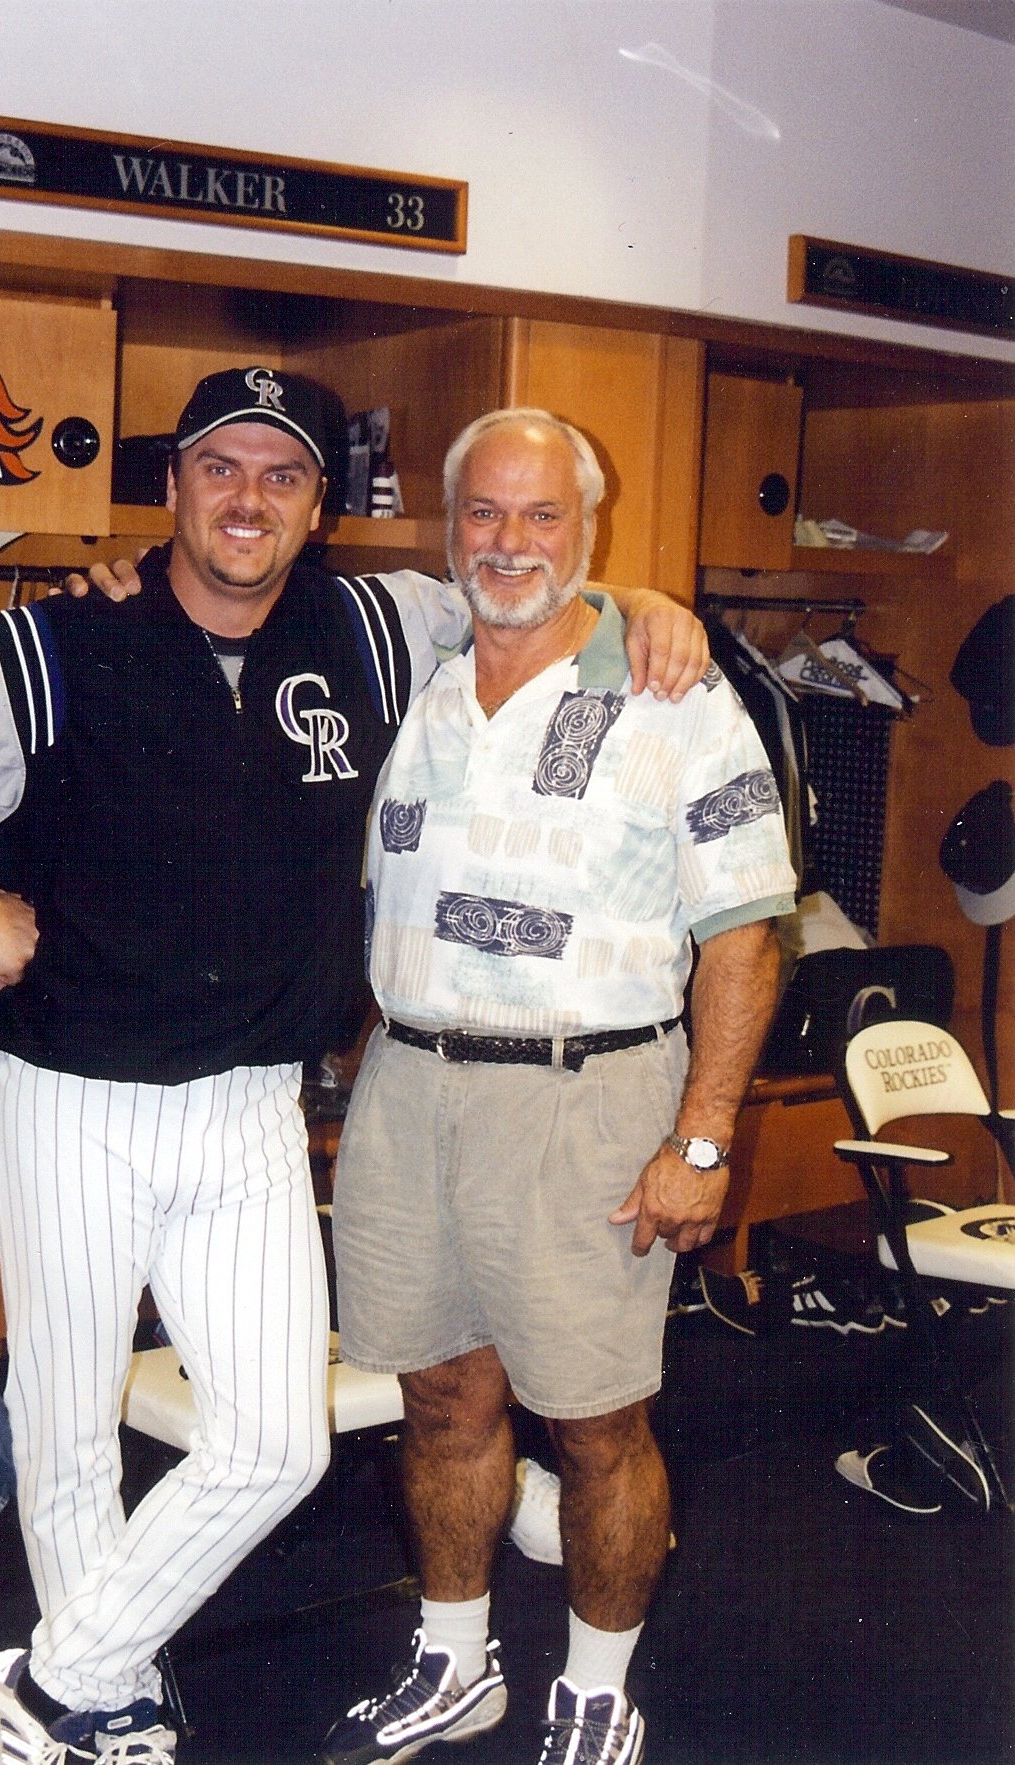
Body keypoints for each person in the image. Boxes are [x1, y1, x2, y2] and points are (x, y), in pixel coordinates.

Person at [0, 366, 707, 1765]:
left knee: (274, 1443)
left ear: (318, 507)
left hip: (248, 1100)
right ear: (169, 487)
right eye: (217, 468)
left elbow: (526, 583)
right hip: (71, 1092)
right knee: (64, 1431)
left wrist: (647, 606)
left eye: (280, 475)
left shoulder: (375, 624)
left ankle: (41, 1684)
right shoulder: (45, 645)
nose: (246, 498)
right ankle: (101, 1708)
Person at [318, 409, 797, 1765]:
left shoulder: (673, 693)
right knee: (441, 1402)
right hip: (410, 1088)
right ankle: (455, 1661)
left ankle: (595, 1690)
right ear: (448, 524)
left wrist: (701, 1139)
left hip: (587, 1094)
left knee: (595, 1425)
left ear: (586, 530)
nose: (508, 543)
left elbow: (744, 929)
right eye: (484, 513)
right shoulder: (411, 667)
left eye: (541, 517)